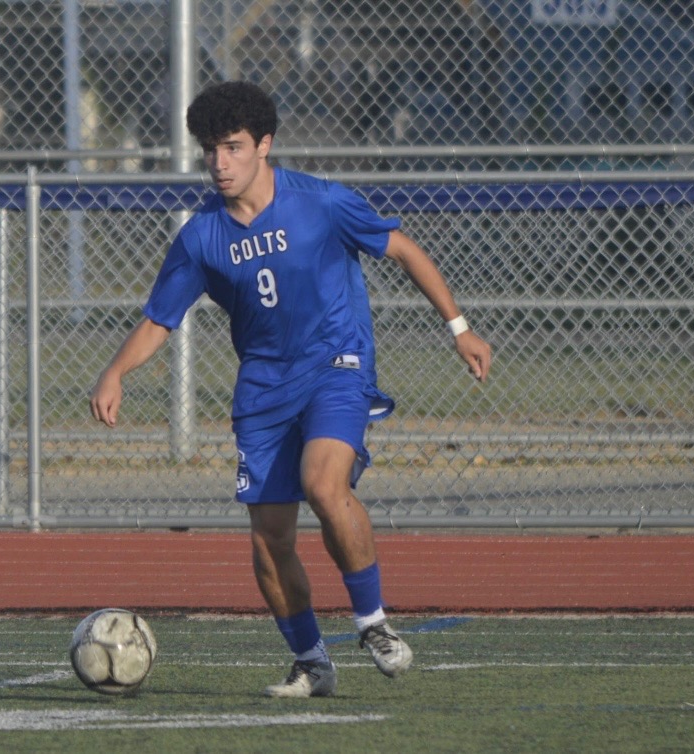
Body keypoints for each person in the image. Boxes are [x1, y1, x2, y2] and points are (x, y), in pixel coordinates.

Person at [90, 81, 491, 698]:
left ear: (264, 145)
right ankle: (311, 662)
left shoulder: (322, 203)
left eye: (233, 147)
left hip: (337, 365)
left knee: (322, 484)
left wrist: (459, 328)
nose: (219, 164)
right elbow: (158, 320)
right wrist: (116, 371)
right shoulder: (201, 235)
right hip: (263, 390)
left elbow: (404, 249)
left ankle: (374, 623)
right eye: (209, 151)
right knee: (270, 539)